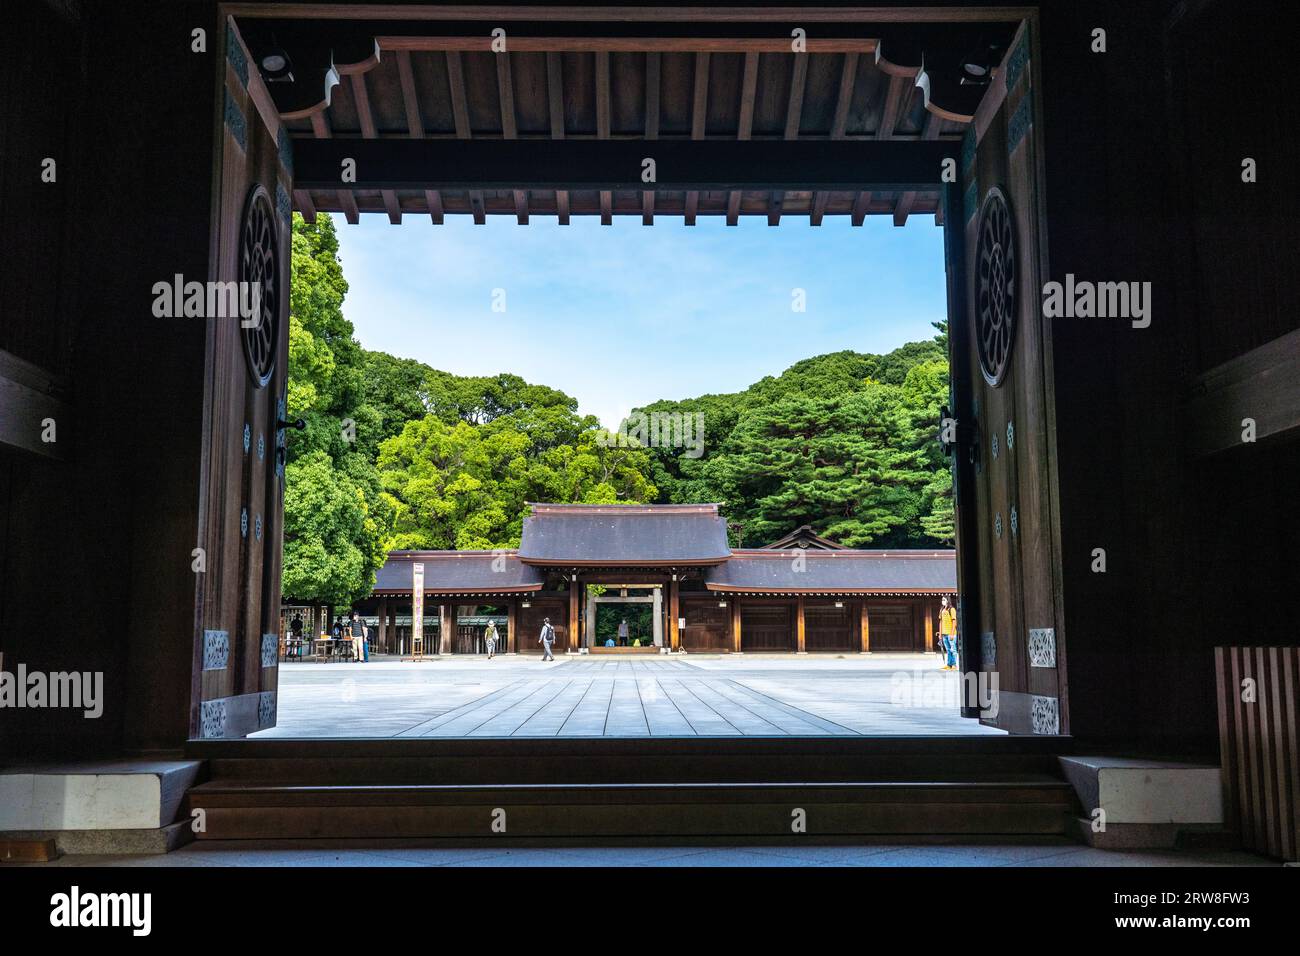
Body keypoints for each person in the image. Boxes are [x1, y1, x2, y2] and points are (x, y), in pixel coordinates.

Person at [938, 596, 958, 671]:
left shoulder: (952, 609)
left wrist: (952, 633)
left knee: (953, 649)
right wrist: (940, 634)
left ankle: (954, 665)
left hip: (951, 633)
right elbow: (940, 622)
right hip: (944, 634)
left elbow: (954, 621)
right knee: (948, 650)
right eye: (942, 600)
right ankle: (949, 665)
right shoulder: (941, 610)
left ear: (947, 600)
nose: (942, 601)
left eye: (944, 599)